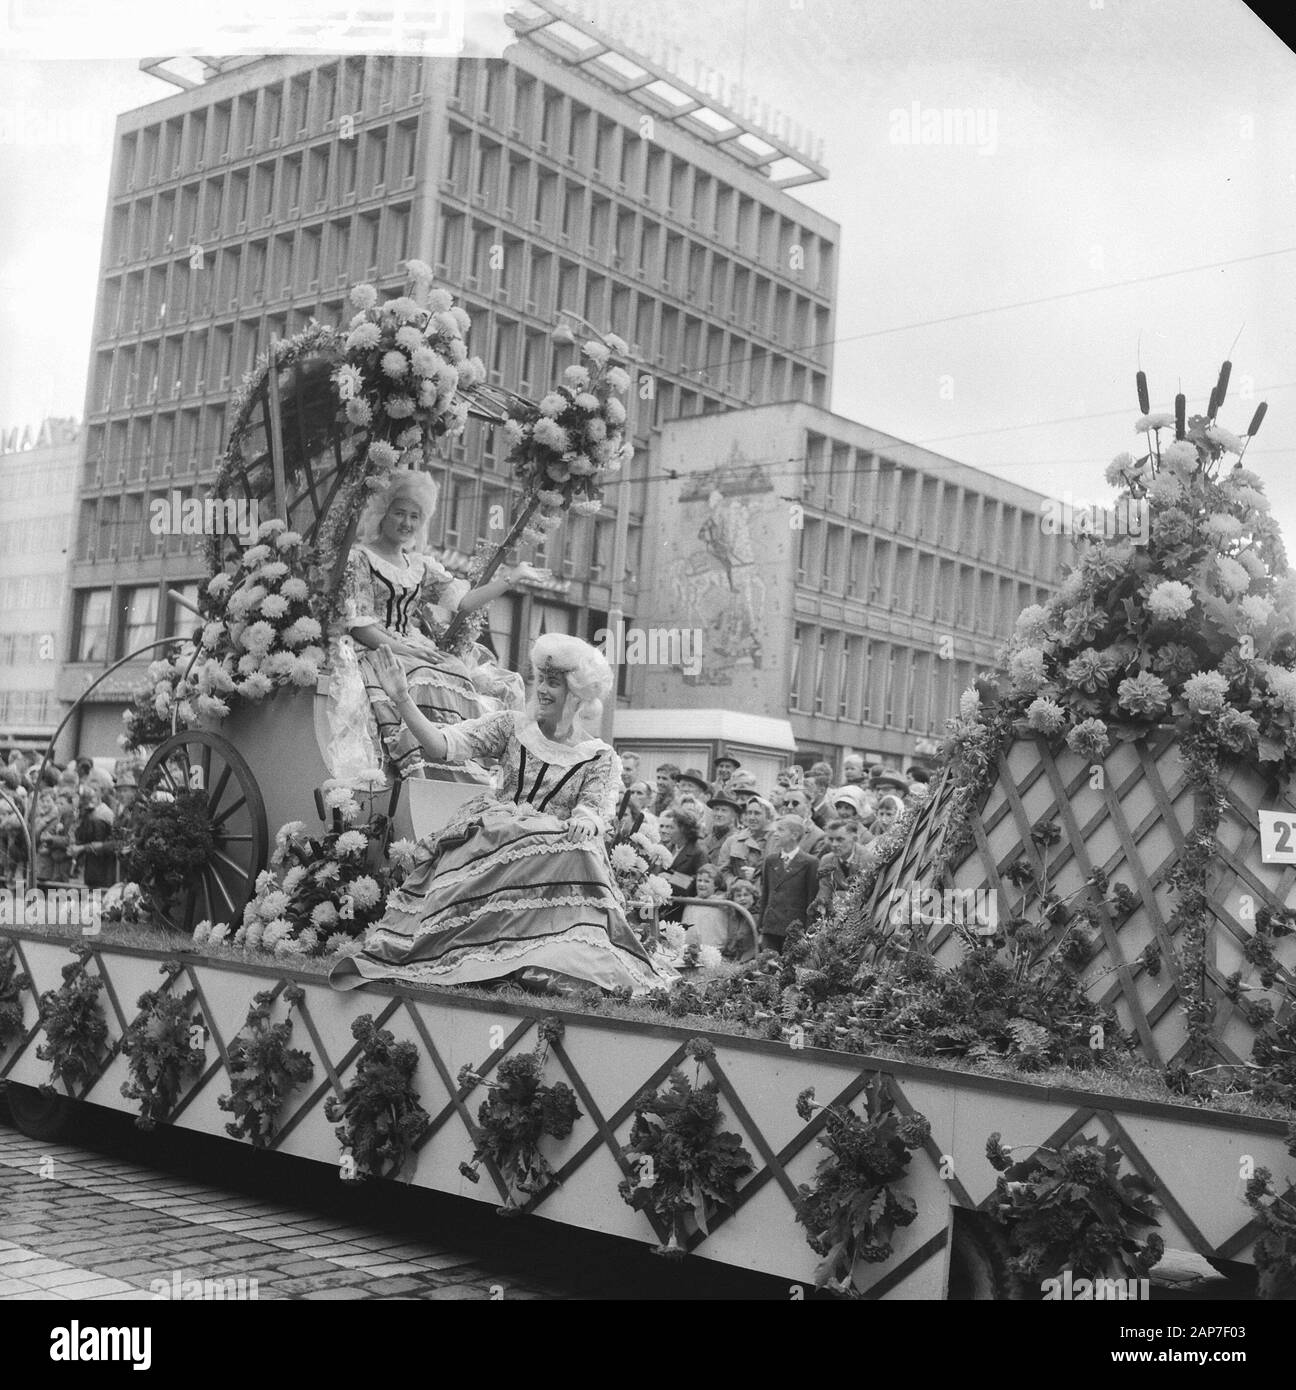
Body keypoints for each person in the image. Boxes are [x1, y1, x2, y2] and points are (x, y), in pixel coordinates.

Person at [331, 633, 673, 995]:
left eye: (553, 683)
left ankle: (557, 958)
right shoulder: (512, 726)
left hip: (551, 855)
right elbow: (441, 745)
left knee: (582, 850)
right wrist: (402, 698)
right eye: (541, 679)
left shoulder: (598, 756)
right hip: (495, 840)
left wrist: (585, 821)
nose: (542, 690)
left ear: (577, 693)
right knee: (551, 845)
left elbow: (593, 810)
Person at [337, 468, 541, 779]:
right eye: (399, 513)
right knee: (422, 674)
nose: (406, 523)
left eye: (414, 516)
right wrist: (409, 651)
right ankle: (418, 766)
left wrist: (511, 578)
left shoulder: (418, 565)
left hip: (411, 646)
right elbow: (361, 627)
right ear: (383, 513)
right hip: (377, 649)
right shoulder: (360, 558)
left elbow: (465, 602)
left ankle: (457, 766)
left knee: (455, 669)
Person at [756, 815, 819, 954]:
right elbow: (765, 895)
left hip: (795, 929)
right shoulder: (771, 860)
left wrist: (809, 932)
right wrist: (761, 925)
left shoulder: (810, 863)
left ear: (794, 835)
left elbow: (811, 900)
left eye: (781, 830)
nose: (775, 834)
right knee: (767, 963)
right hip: (770, 927)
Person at [659, 804, 707, 922]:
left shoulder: (698, 852)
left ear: (684, 830)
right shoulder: (669, 847)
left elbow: (700, 881)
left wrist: (672, 878)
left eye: (672, 828)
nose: (667, 832)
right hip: (664, 907)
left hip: (682, 911)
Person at [717, 795, 775, 885]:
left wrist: (756, 877)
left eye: (757, 813)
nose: (752, 817)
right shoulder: (732, 841)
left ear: (768, 817)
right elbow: (723, 871)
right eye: (749, 813)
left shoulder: (776, 841)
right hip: (737, 890)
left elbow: (779, 875)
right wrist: (737, 884)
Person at [70, 783, 117, 889]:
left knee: (95, 894)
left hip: (99, 870)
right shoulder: (86, 816)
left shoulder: (99, 818)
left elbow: (98, 844)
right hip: (89, 868)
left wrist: (80, 848)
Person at [682, 863, 729, 952]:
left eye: (707, 881)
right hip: (689, 951)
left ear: (716, 885)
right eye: (699, 880)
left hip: (713, 951)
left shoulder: (722, 904)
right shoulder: (691, 904)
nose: (701, 884)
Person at [723, 878, 760, 960]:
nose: (742, 898)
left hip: (749, 960)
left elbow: (757, 945)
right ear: (733, 899)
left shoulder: (757, 918)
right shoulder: (732, 917)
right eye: (738, 895)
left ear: (753, 898)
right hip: (731, 960)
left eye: (746, 895)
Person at [701, 793, 741, 866]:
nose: (719, 814)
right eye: (716, 809)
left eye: (724, 810)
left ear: (733, 815)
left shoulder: (736, 840)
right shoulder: (706, 838)